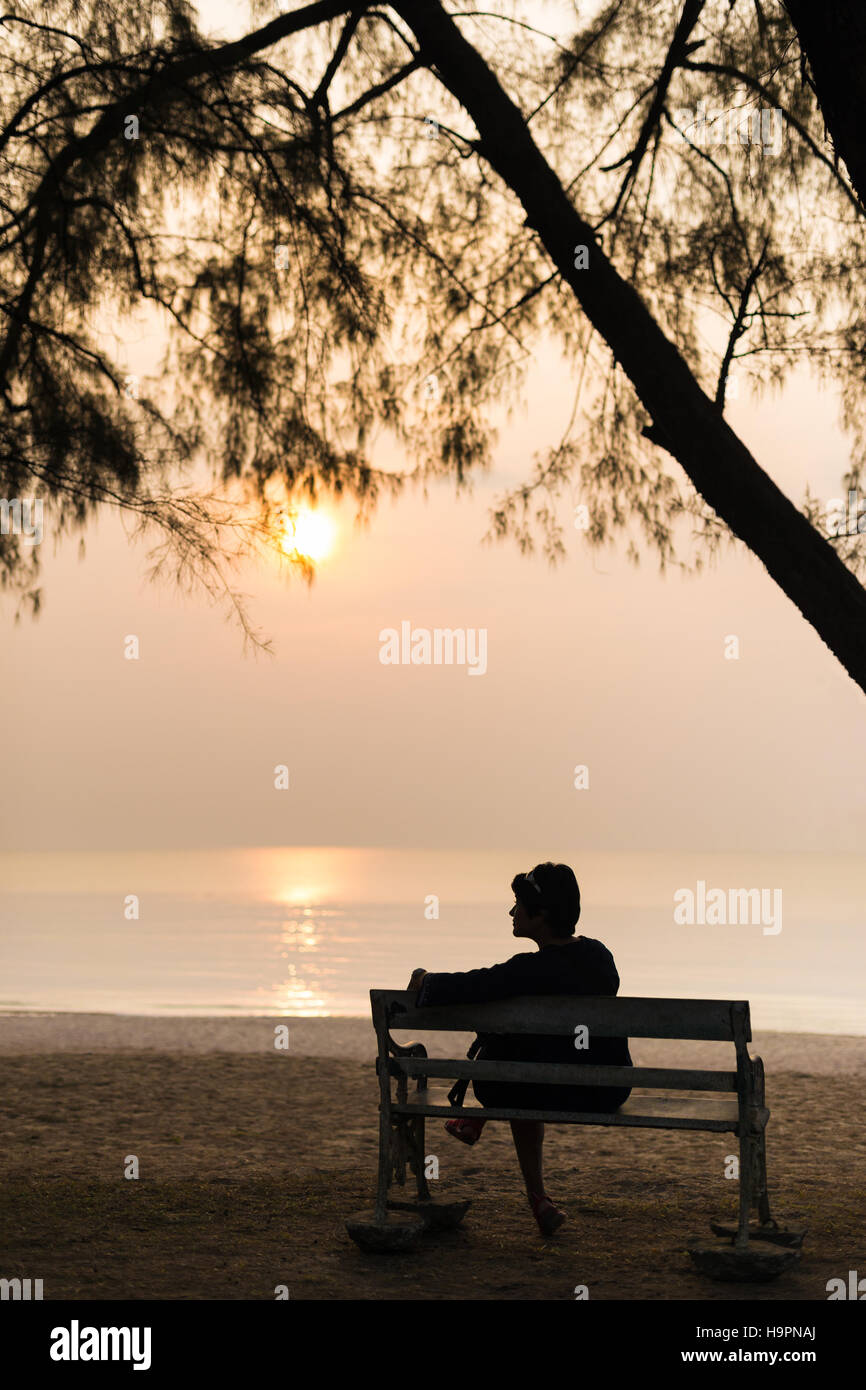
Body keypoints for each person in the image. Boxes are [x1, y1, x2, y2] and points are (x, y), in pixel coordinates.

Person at [406, 862, 632, 1237]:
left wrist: (424, 980)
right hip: (605, 1089)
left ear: (540, 915)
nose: (511, 912)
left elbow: (470, 986)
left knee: (512, 1067)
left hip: (529, 1087)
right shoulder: (600, 958)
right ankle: (538, 1200)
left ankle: (486, 1124)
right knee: (530, 1053)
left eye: (518, 904)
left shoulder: (525, 970)